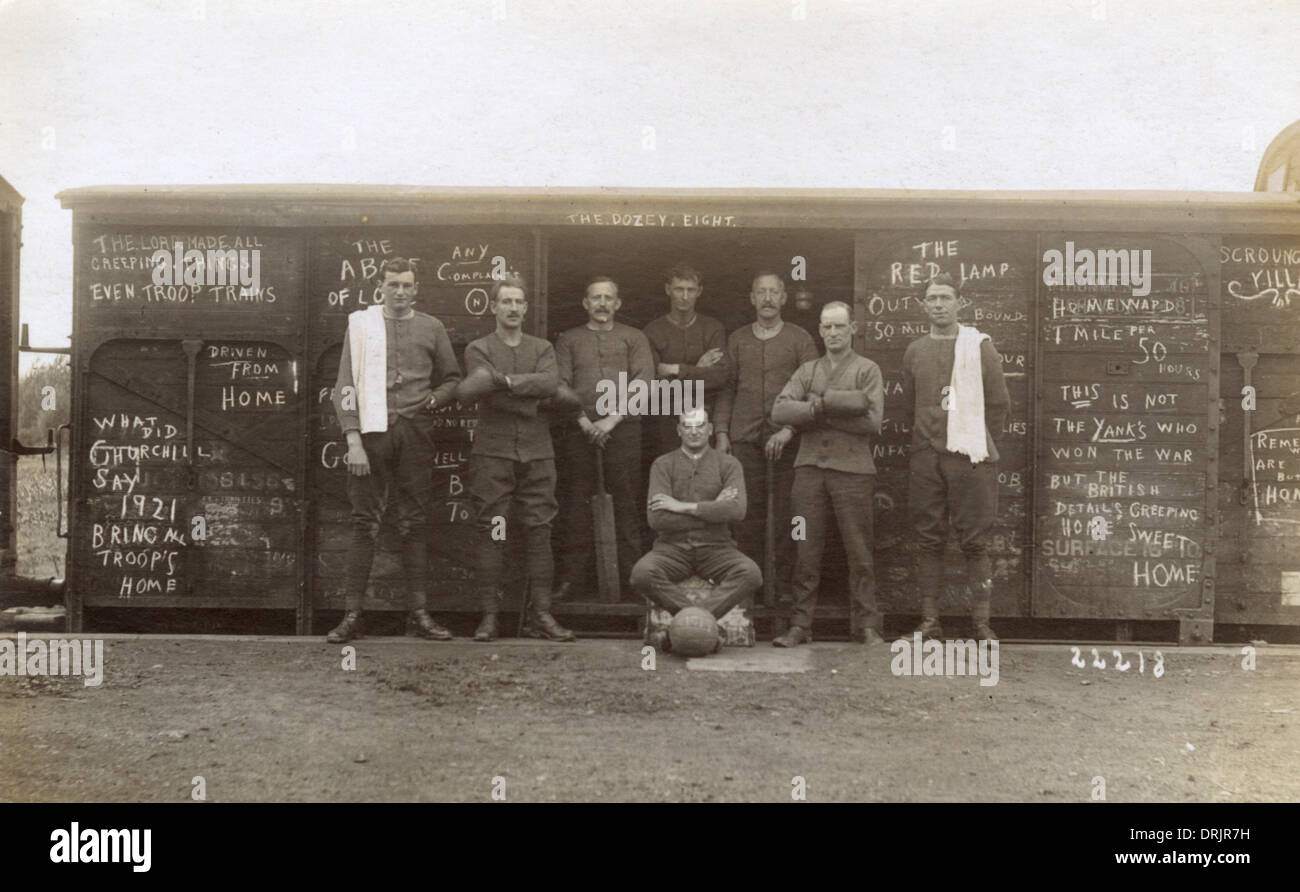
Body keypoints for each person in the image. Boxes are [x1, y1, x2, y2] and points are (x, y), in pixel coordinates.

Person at [327, 257, 462, 643]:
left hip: (416, 432)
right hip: (372, 432)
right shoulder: (363, 327)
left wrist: (433, 402)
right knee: (364, 523)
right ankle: (353, 615)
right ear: (380, 288)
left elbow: (452, 378)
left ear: (415, 288)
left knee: (413, 522)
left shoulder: (431, 328)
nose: (400, 291)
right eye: (393, 285)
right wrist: (353, 439)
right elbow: (345, 387)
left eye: (406, 285)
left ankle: (418, 615)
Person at [457, 274, 576, 643]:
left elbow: (551, 383)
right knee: (494, 529)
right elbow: (481, 393)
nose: (511, 308)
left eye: (517, 302)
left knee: (539, 530)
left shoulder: (542, 348)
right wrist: (532, 395)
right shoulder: (478, 348)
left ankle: (541, 616)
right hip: (493, 453)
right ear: (493, 307)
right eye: (505, 301)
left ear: (525, 308)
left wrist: (504, 383)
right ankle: (490, 619)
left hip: (538, 452)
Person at [901, 272, 1010, 641]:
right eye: (932, 298)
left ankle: (980, 624)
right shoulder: (915, 350)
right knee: (929, 539)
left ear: (959, 302)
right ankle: (931, 621)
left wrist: (973, 441)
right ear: (922, 305)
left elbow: (999, 404)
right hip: (926, 458)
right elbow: (908, 403)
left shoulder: (978, 347)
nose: (939, 305)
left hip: (970, 457)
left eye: (945, 297)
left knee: (975, 542)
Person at [770, 301, 885, 646]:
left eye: (839, 326)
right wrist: (833, 405)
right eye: (827, 327)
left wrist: (817, 409)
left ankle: (867, 625)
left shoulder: (867, 369)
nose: (833, 333)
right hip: (808, 472)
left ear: (852, 328)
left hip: (853, 471)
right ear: (820, 330)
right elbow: (780, 410)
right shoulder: (808, 370)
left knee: (859, 551)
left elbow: (871, 421)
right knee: (804, 547)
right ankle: (800, 625)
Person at [712, 271, 818, 601]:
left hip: (787, 438)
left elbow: (812, 389)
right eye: (762, 292)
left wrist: (789, 429)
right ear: (752, 298)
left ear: (784, 298)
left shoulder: (801, 339)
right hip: (743, 437)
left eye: (774, 292)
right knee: (746, 515)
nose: (768, 298)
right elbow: (727, 388)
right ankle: (749, 588)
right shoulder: (738, 338)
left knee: (788, 514)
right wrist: (722, 432)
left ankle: (784, 588)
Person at [553, 276, 655, 600]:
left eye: (608, 298)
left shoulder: (634, 338)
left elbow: (644, 381)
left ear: (617, 304)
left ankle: (635, 582)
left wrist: (612, 419)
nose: (602, 304)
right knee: (578, 504)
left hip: (623, 430)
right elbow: (560, 384)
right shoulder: (568, 339)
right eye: (595, 298)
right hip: (578, 430)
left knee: (626, 503)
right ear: (585, 303)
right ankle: (573, 581)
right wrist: (583, 421)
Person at [631, 407, 761, 651]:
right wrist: (713, 510)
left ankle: (682, 630)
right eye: (687, 426)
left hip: (716, 547)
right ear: (679, 430)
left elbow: (737, 512)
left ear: (710, 429)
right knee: (642, 573)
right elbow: (657, 519)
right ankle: (706, 625)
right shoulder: (663, 464)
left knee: (750, 573)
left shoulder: (728, 464)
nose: (694, 432)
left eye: (699, 425)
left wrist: (681, 507)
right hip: (672, 548)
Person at [641, 264, 729, 463]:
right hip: (665, 421)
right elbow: (653, 384)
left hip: (704, 418)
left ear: (699, 292)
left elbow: (721, 376)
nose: (684, 296)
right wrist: (699, 369)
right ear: (668, 290)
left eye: (690, 290)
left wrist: (675, 369)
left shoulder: (713, 328)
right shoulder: (652, 331)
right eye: (679, 289)